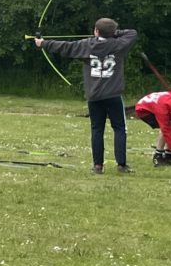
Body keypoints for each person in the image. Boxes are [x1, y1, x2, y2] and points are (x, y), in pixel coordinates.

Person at [34, 19, 137, 173]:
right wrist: (115, 33)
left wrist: (43, 43)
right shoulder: (118, 44)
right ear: (112, 32)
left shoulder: (87, 45)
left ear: (96, 31)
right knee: (120, 129)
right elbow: (132, 33)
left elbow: (65, 47)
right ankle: (121, 165)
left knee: (97, 130)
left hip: (94, 96)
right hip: (113, 95)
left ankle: (98, 166)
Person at [133, 91, 171, 166]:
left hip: (155, 104)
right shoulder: (162, 109)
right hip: (144, 111)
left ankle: (168, 154)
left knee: (169, 126)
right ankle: (158, 155)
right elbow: (165, 130)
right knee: (167, 128)